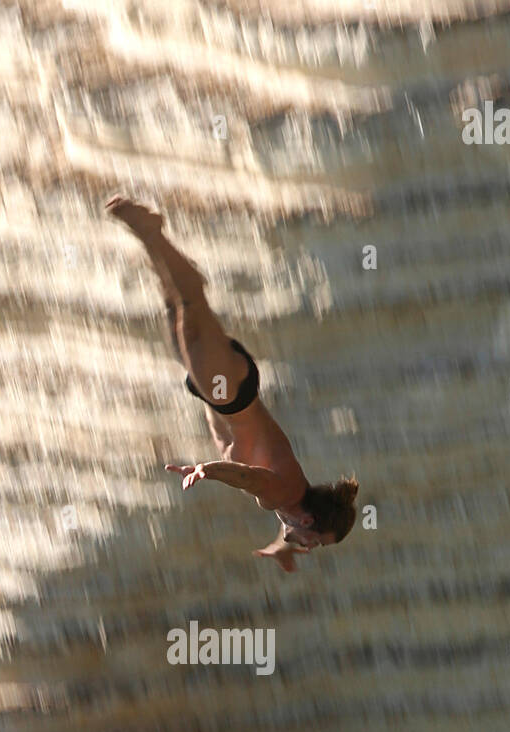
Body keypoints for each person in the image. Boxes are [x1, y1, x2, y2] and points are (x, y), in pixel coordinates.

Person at [106, 196, 358, 573]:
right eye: (314, 544)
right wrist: (206, 471)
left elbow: (280, 512)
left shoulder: (290, 501)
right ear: (308, 521)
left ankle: (150, 238)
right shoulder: (285, 494)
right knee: (190, 307)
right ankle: (151, 231)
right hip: (228, 395)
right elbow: (246, 476)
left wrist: (282, 547)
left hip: (223, 391)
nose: (309, 549)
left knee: (176, 310)